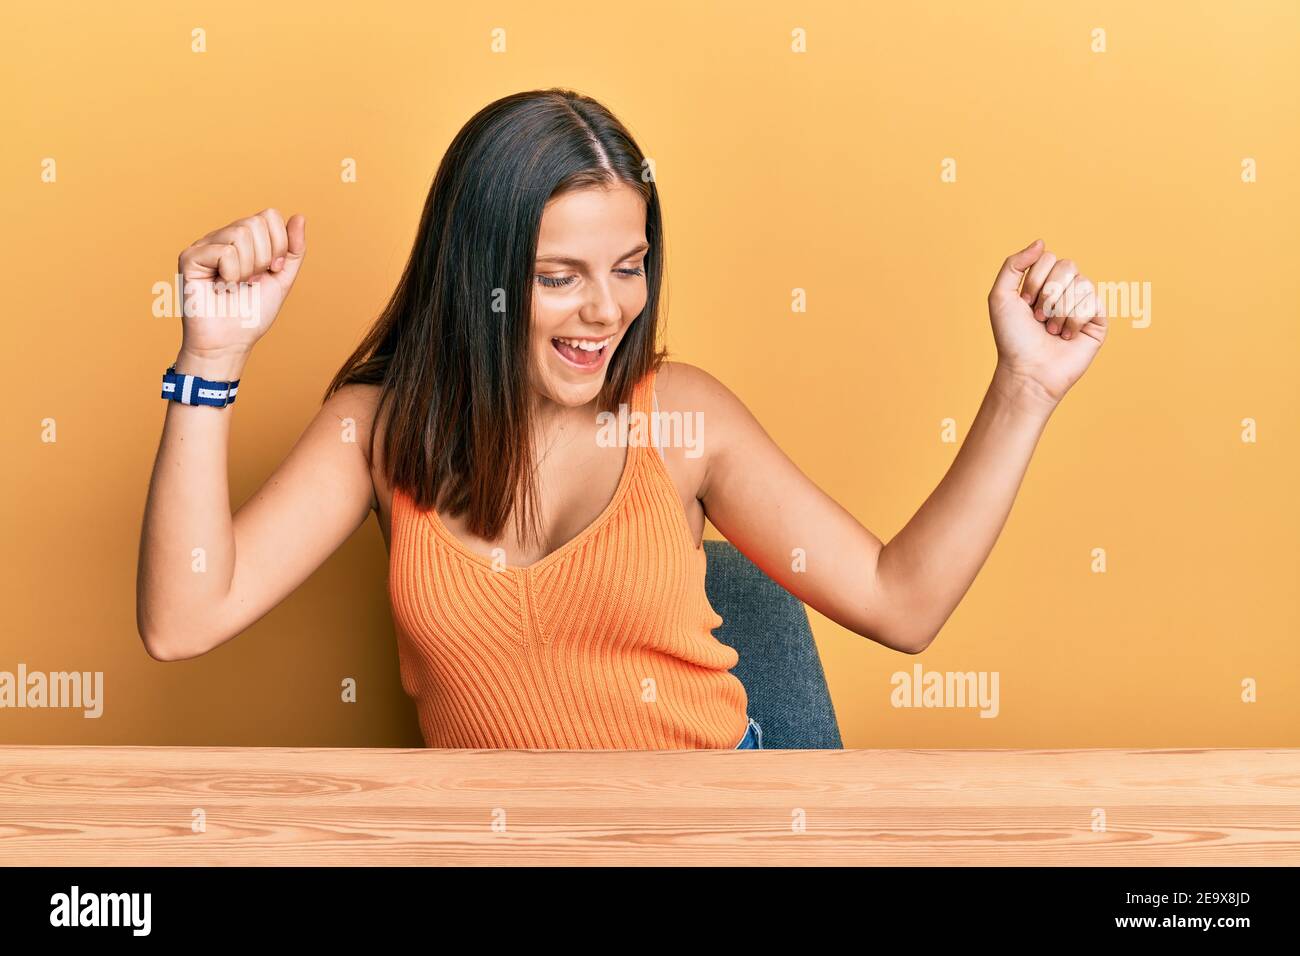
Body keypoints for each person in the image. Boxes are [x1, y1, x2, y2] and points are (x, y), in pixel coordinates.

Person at [136, 87, 1107, 750]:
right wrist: (210, 361)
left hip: (714, 837)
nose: (607, 310)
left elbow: (903, 602)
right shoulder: (380, 432)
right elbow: (181, 621)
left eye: (629, 265)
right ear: (481, 283)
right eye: (559, 277)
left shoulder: (680, 418)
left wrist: (1023, 388)